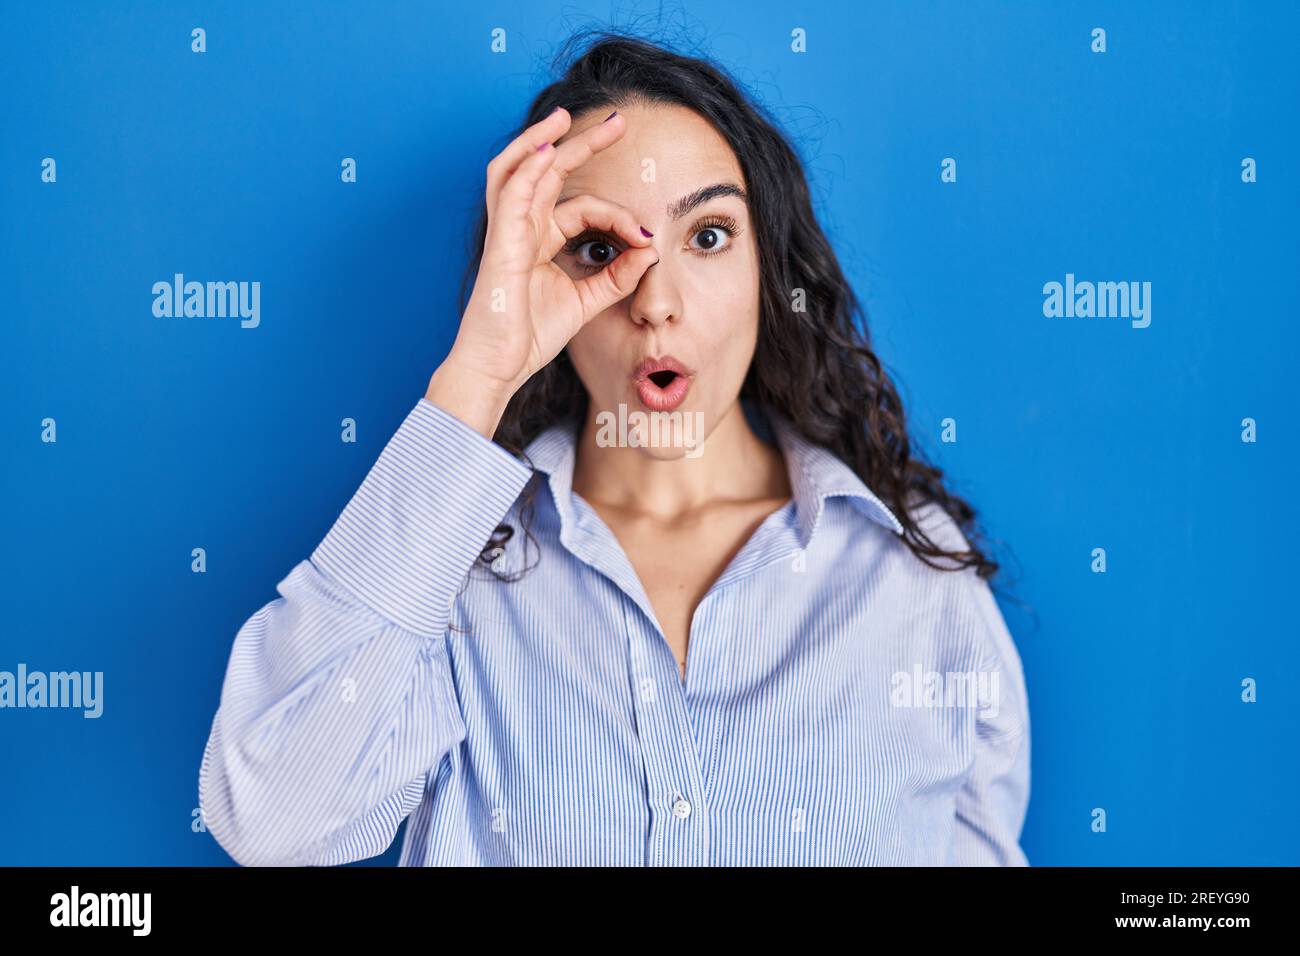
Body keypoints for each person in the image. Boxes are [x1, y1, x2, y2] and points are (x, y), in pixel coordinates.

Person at [198, 31, 1030, 866]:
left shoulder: (914, 575)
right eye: (601, 250)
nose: (656, 303)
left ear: (770, 273)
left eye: (708, 236)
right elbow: (275, 820)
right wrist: (478, 375)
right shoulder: (451, 578)